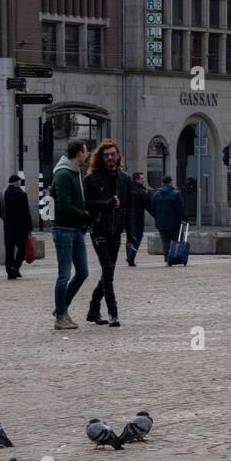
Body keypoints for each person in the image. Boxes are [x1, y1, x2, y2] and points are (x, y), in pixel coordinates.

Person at [83, 139, 133, 326]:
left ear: (118, 155)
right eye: (106, 155)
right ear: (101, 158)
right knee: (108, 271)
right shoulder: (91, 179)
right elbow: (85, 204)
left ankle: (93, 309)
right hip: (99, 230)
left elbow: (130, 209)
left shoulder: (125, 179)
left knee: (108, 272)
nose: (110, 158)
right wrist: (107, 204)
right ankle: (113, 313)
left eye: (113, 154)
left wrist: (131, 235)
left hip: (116, 231)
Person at [50, 141, 91, 331]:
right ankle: (60, 316)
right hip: (64, 230)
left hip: (75, 230)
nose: (88, 153)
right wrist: (84, 215)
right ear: (79, 153)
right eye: (85, 150)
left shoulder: (74, 173)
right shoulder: (64, 174)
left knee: (83, 272)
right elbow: (64, 205)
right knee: (64, 275)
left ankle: (62, 307)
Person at [0, 174, 32, 280]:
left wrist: (5, 219)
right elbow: (26, 213)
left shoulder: (2, 194)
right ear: (17, 182)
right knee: (22, 249)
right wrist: (29, 228)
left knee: (9, 249)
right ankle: (15, 267)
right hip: (20, 227)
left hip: (7, 226)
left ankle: (9, 272)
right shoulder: (22, 194)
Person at [150, 175, 187, 266]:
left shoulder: (156, 194)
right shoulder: (176, 194)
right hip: (175, 223)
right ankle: (177, 257)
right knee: (177, 240)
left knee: (165, 242)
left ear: (163, 183)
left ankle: (167, 260)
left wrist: (158, 217)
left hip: (161, 223)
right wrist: (184, 218)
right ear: (170, 182)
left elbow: (152, 209)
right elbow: (180, 208)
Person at [125, 171, 152, 266]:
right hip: (138, 217)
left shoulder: (128, 189)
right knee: (138, 237)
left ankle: (129, 255)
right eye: (142, 178)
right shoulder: (142, 192)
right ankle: (131, 256)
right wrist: (156, 215)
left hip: (127, 217)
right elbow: (149, 206)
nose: (144, 180)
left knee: (130, 237)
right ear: (137, 179)